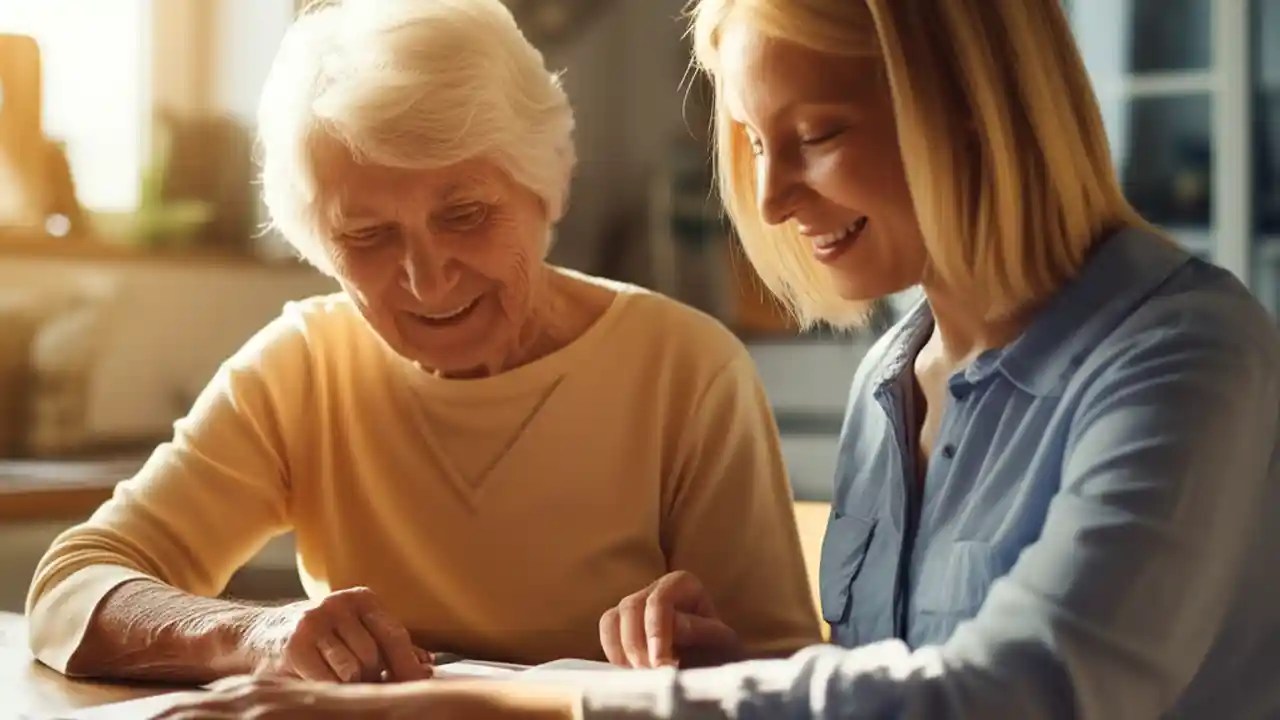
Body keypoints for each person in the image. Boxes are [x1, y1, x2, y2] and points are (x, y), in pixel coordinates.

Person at [161, 0, 1280, 717]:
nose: (775, 195)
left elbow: (1027, 687)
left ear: (970, 106)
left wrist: (500, 704)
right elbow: (874, 686)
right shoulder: (892, 378)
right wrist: (716, 660)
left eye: (818, 134)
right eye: (752, 142)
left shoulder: (1184, 352)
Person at [25, 0, 821, 686]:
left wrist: (706, 651)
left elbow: (787, 673)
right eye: (367, 235)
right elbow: (69, 587)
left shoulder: (684, 367)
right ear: (319, 248)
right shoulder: (304, 367)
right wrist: (253, 635)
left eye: (465, 214)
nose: (428, 279)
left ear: (544, 189)